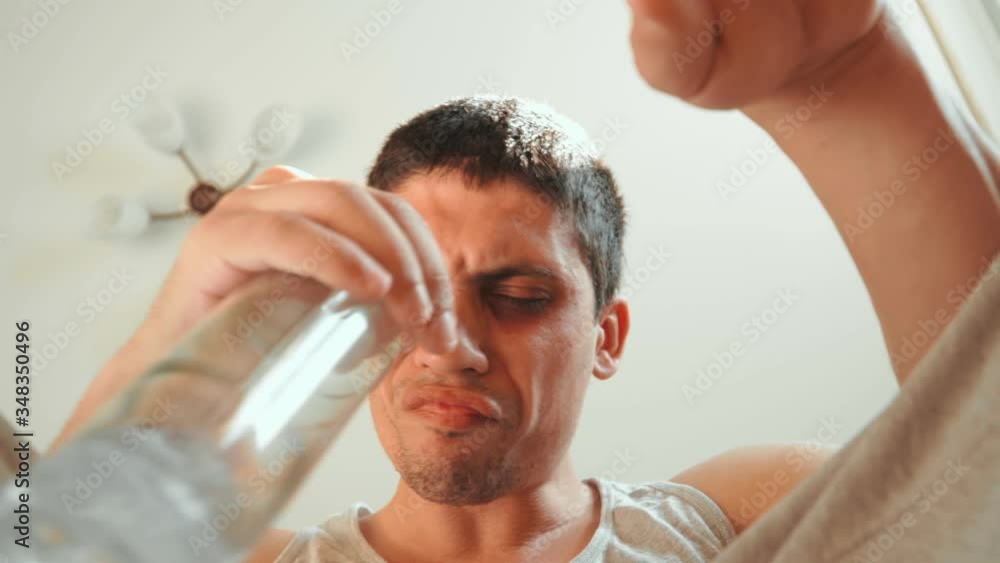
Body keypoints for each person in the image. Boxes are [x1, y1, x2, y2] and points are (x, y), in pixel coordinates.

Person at [54, 0, 1000, 561]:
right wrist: (164, 347)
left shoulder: (733, 515)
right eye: (406, 294)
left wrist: (856, 86)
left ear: (608, 336)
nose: (448, 343)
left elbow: (972, 496)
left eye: (518, 297)